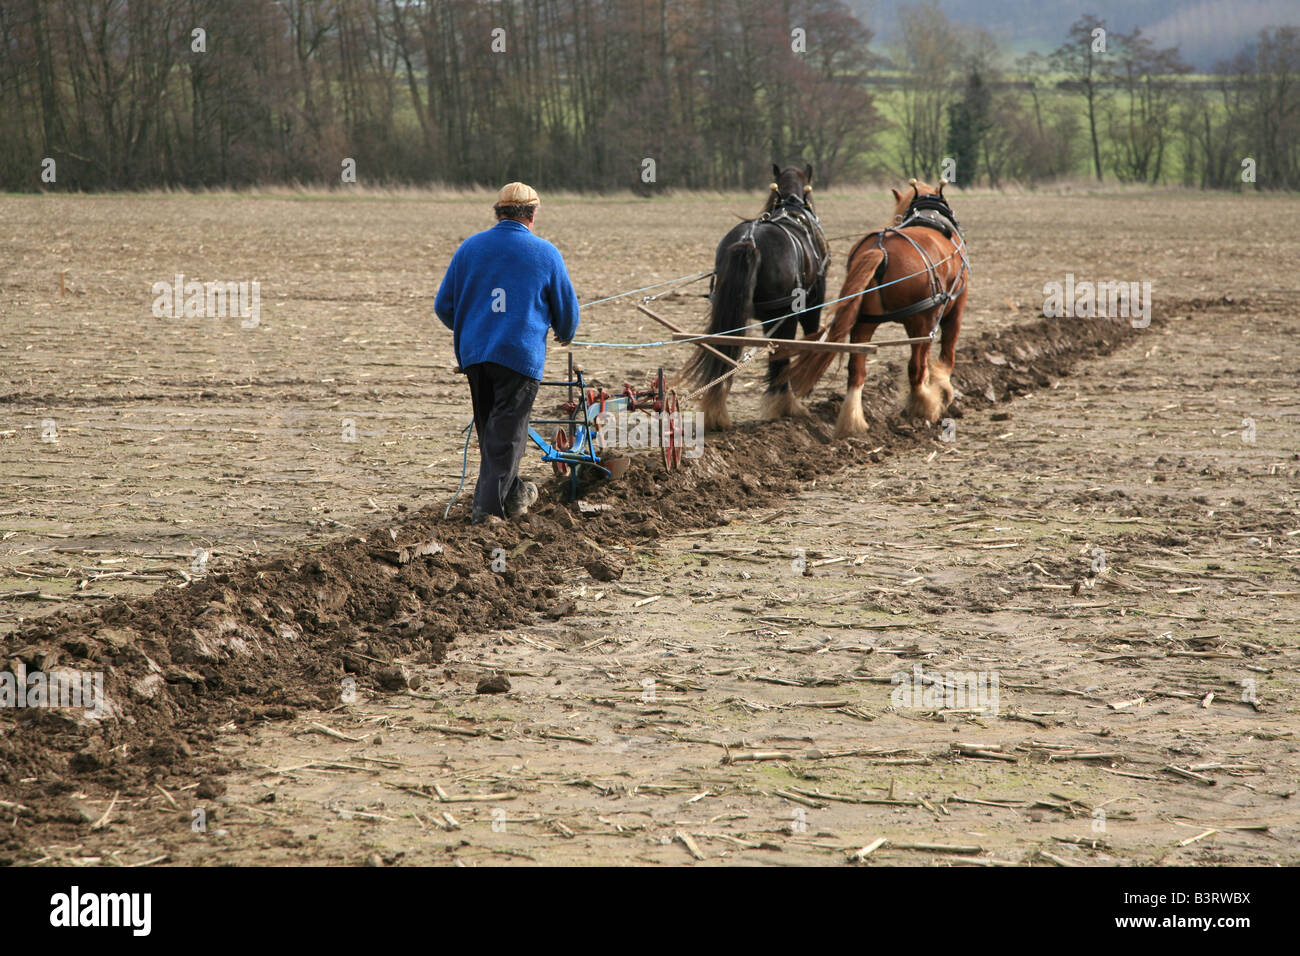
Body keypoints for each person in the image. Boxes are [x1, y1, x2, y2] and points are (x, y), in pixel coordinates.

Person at [435, 182, 580, 524]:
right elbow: (568, 314)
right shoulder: (546, 253)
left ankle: (514, 495)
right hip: (518, 357)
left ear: (497, 212)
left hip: (475, 356)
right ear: (533, 215)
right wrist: (563, 332)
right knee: (506, 438)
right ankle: (487, 514)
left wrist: (474, 325)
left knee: (492, 432)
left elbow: (444, 307)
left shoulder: (469, 248)